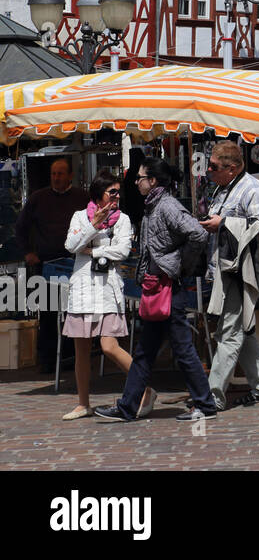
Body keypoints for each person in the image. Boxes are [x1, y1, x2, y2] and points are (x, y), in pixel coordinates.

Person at [95, 159, 218, 422]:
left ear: (153, 181)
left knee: (183, 351)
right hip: (154, 288)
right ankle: (128, 407)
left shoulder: (167, 206)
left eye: (140, 177)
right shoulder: (153, 206)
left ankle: (205, 405)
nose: (136, 182)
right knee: (144, 353)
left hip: (168, 289)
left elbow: (198, 234)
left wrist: (177, 264)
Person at [200, 142, 259, 410]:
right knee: (244, 328)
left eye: (214, 167)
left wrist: (223, 223)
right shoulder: (223, 188)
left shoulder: (254, 189)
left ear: (231, 169)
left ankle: (212, 397)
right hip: (226, 268)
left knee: (229, 332)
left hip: (244, 270)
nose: (208, 171)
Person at [61, 171, 137, 421]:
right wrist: (94, 225)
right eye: (111, 192)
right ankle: (83, 403)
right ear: (99, 194)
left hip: (107, 290)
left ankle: (145, 389)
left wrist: (92, 251)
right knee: (81, 350)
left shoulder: (123, 220)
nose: (116, 197)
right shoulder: (80, 217)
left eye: (118, 192)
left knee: (109, 346)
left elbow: (123, 251)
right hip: (83, 289)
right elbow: (71, 246)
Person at [16, 157, 92, 373]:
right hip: (47, 264)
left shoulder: (82, 198)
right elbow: (20, 227)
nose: (56, 178)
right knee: (48, 312)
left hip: (75, 264)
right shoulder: (38, 198)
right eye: (53, 174)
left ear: (70, 175)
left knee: (73, 311)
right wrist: (28, 252)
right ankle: (48, 359)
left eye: (60, 174)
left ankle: (70, 357)